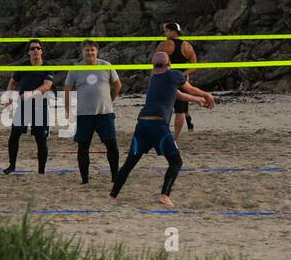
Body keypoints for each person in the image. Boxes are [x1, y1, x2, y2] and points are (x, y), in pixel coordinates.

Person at [109, 52, 214, 208]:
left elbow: (176, 94)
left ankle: (112, 196)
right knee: (176, 162)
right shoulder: (174, 75)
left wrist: (197, 100)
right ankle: (165, 195)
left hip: (142, 125)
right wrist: (206, 94)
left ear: (153, 66)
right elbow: (189, 89)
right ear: (169, 63)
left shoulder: (153, 79)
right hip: (158, 127)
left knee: (129, 163)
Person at [62, 40, 122, 184]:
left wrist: (110, 99)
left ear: (97, 51)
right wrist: (67, 110)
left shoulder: (106, 66)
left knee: (112, 146)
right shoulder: (75, 68)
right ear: (82, 52)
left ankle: (115, 176)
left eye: (92, 50)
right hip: (84, 115)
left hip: (104, 113)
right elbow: (67, 89)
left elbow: (117, 84)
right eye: (87, 50)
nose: (90, 53)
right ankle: (85, 179)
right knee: (83, 147)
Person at [4, 39, 53, 174]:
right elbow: (13, 82)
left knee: (41, 139)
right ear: (29, 52)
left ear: (41, 51)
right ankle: (12, 165)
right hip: (24, 107)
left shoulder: (47, 66)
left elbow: (47, 86)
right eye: (32, 48)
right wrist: (8, 96)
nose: (35, 50)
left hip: (40, 107)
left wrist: (31, 94)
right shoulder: (23, 66)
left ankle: (41, 171)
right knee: (15, 134)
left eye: (38, 48)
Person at [157, 22, 198, 137]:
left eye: (166, 31)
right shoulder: (187, 46)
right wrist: (183, 74)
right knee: (180, 111)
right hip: (181, 81)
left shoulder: (164, 45)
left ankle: (165, 134)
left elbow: (156, 62)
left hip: (167, 80)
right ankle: (176, 138)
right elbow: (194, 65)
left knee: (165, 109)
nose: (164, 34)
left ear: (172, 32)